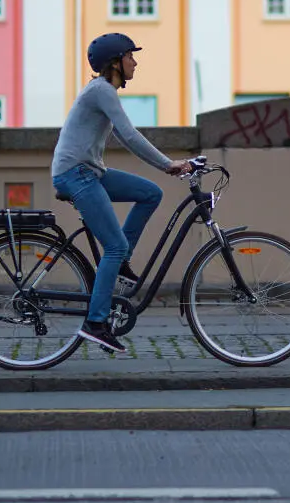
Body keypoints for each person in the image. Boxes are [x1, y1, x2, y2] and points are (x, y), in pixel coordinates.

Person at [51, 33, 192, 353]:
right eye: (130, 56)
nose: (135, 62)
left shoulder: (103, 92)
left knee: (150, 193)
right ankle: (96, 323)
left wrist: (164, 167)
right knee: (113, 246)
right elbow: (129, 135)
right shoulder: (102, 90)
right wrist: (168, 164)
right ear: (115, 62)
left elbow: (124, 138)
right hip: (76, 175)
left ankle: (121, 266)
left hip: (89, 172)